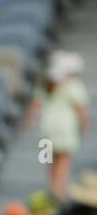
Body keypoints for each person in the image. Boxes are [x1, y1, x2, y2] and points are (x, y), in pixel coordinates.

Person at [26, 51, 89, 201]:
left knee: (48, 160)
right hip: (65, 129)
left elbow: (35, 105)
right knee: (64, 161)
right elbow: (80, 108)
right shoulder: (74, 85)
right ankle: (58, 193)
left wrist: (29, 123)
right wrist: (85, 126)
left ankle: (51, 189)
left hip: (46, 129)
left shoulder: (45, 85)